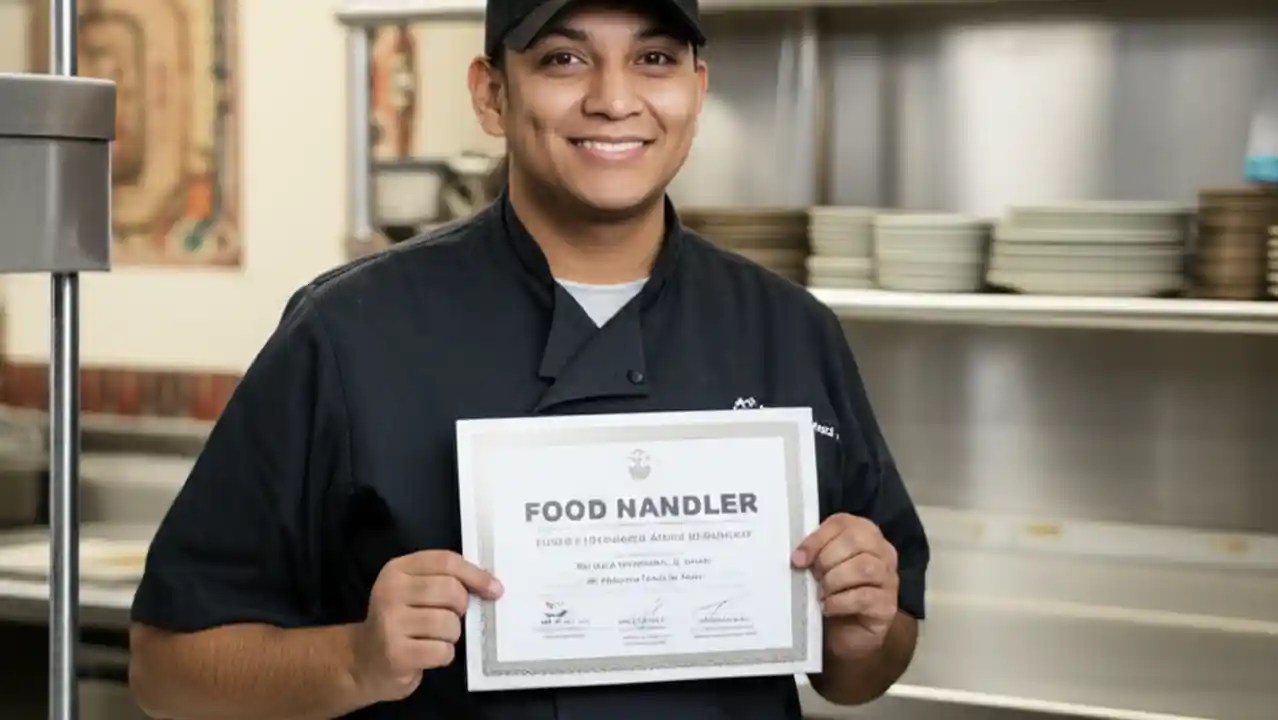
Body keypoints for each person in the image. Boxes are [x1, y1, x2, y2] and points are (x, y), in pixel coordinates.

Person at [127, 0, 930, 718]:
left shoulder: (790, 330)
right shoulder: (348, 333)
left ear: (697, 85)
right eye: (563, 59)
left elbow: (864, 670)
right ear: (490, 93)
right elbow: (168, 671)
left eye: (654, 58)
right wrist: (354, 660)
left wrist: (861, 632)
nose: (615, 99)